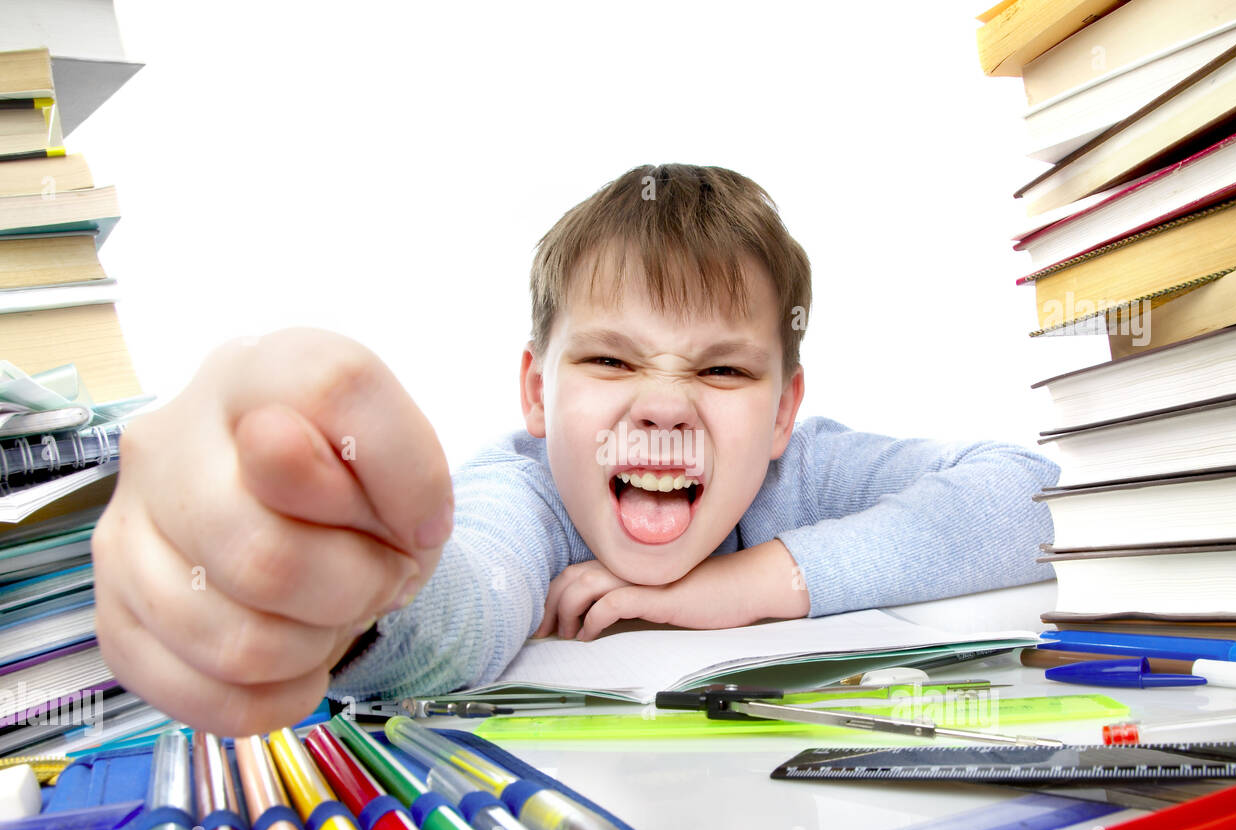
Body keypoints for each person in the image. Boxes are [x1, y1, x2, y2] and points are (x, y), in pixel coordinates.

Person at [91, 164, 1059, 737]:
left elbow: (1033, 494)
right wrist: (355, 593)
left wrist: (742, 582)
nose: (665, 405)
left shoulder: (800, 471)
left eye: (722, 372)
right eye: (608, 358)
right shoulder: (523, 489)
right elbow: (469, 593)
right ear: (535, 394)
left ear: (780, 411)